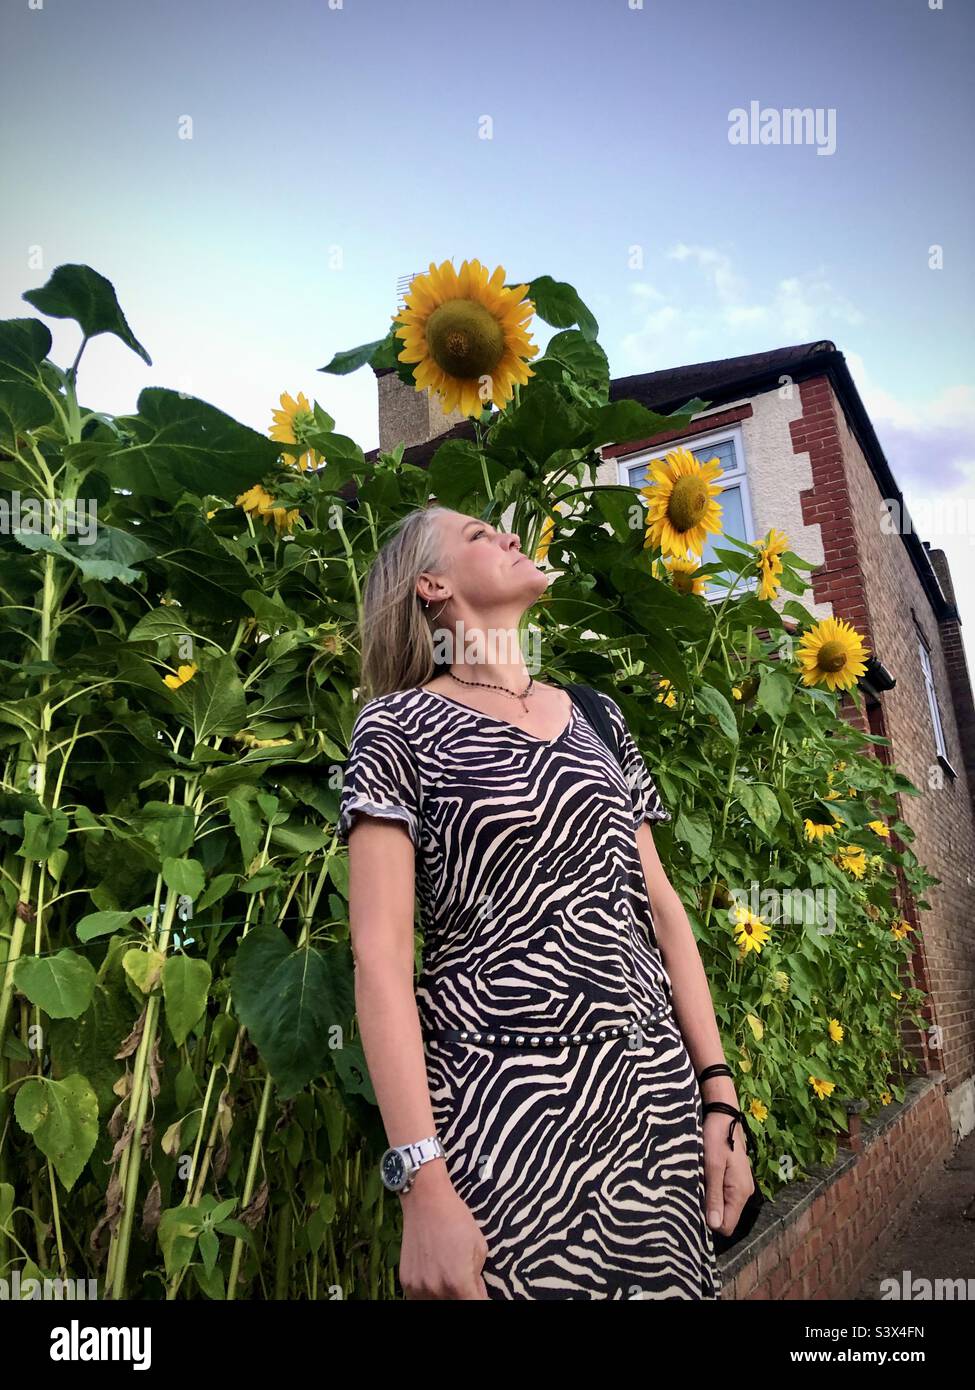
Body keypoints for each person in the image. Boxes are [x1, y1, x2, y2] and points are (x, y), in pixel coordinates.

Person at [337, 503, 754, 1300]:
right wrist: (421, 1185)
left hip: (653, 1108)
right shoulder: (393, 727)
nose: (509, 536)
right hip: (505, 1123)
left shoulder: (598, 716)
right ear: (431, 585)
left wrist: (720, 1102)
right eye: (478, 535)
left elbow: (662, 914)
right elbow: (380, 957)